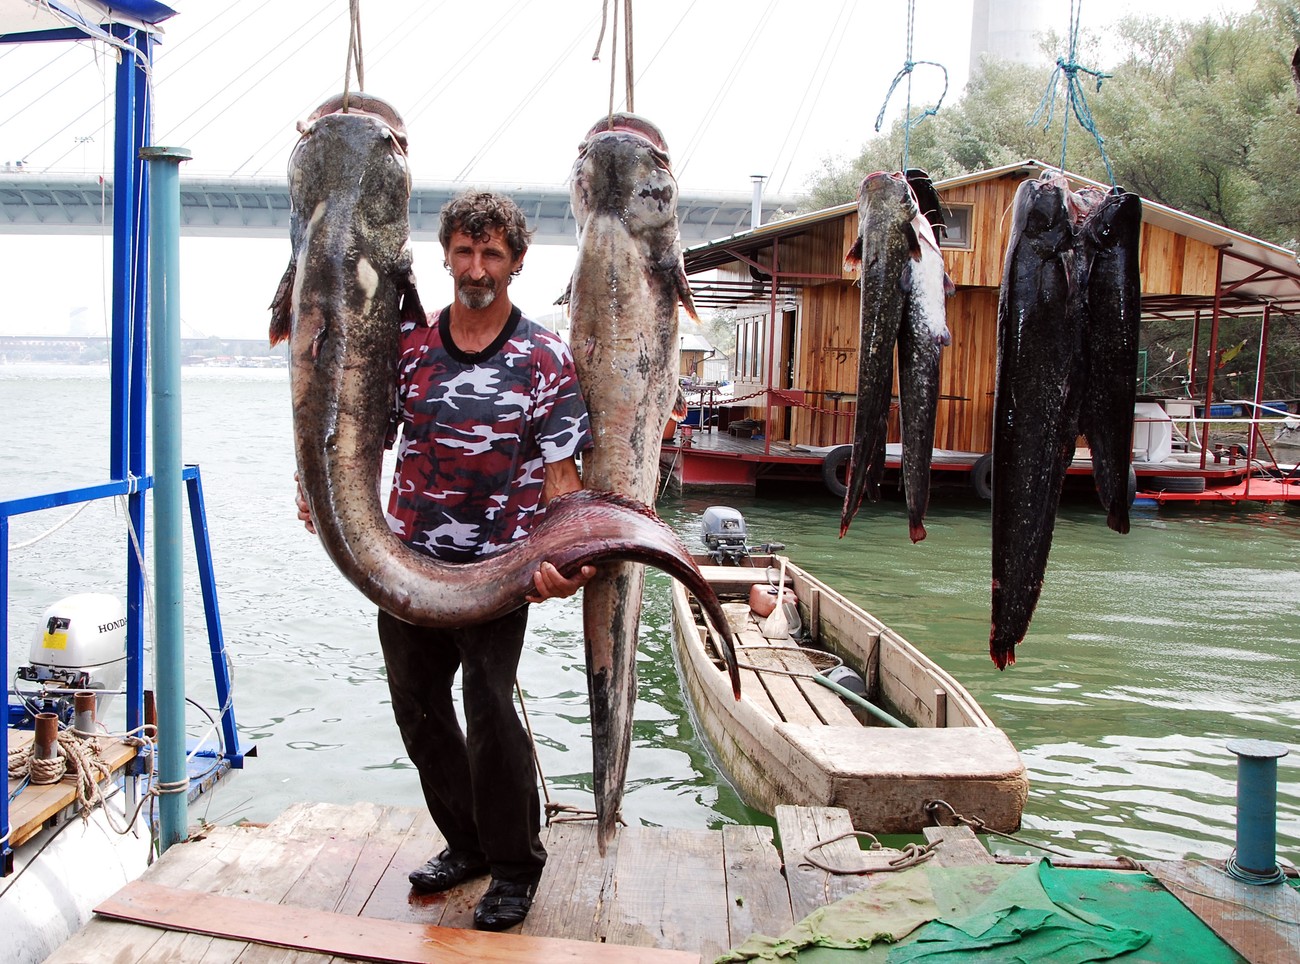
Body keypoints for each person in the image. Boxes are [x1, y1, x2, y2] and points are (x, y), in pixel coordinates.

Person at [295, 190, 594, 931]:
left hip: (498, 577)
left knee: (490, 710)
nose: (477, 267)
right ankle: (467, 845)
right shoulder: (408, 352)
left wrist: (569, 565)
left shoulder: (545, 359)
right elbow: (359, 443)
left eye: (492, 253)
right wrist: (323, 497)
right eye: (464, 250)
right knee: (419, 713)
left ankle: (517, 865)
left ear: (517, 263)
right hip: (405, 570)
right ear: (446, 256)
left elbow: (564, 485)